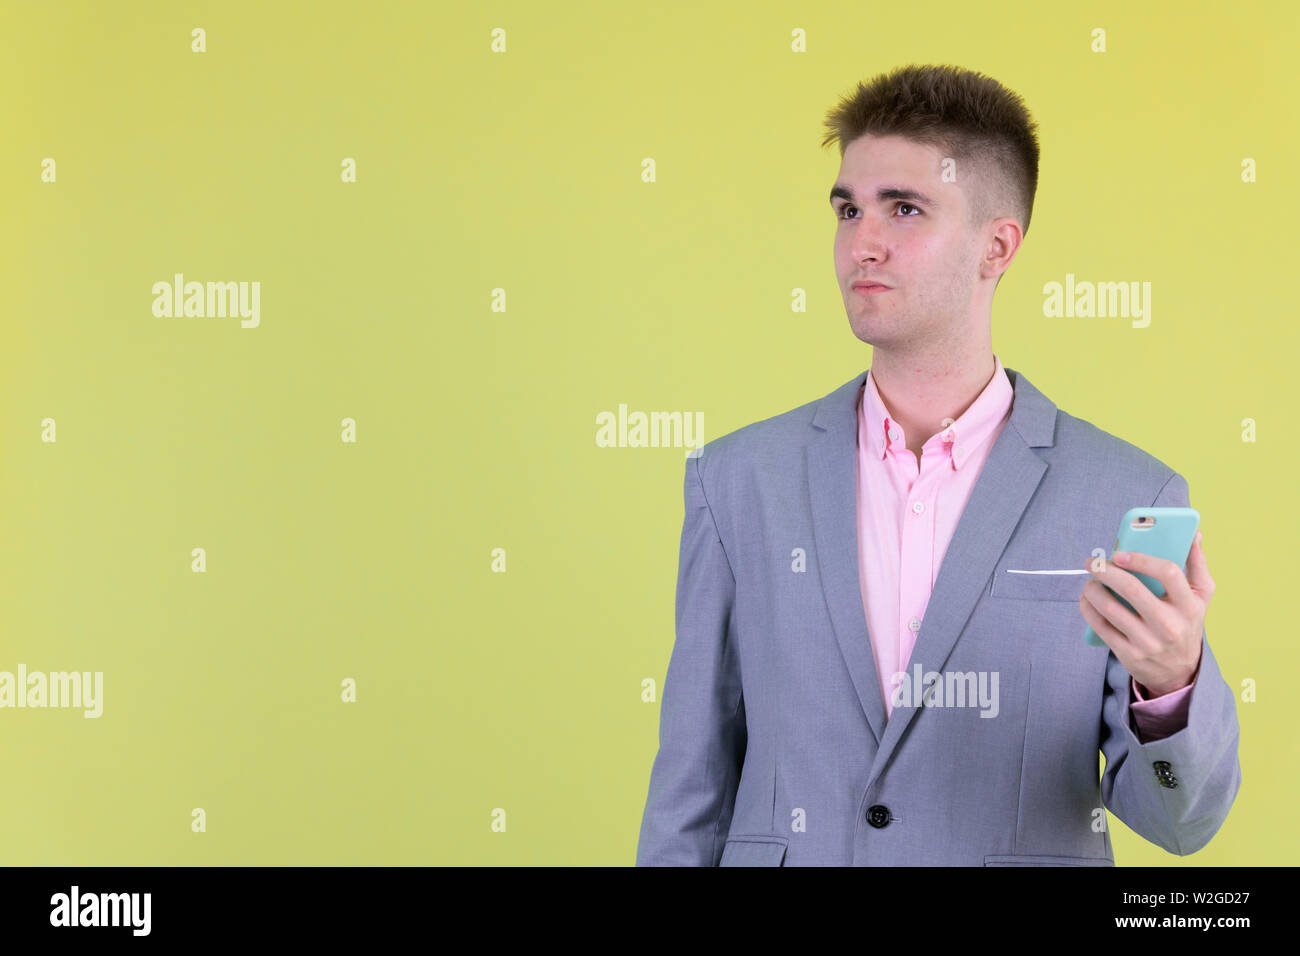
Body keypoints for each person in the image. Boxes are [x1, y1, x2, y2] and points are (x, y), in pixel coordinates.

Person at [635, 63, 1240, 866]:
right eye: (848, 209)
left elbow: (1180, 823)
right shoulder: (737, 481)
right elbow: (691, 790)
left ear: (997, 245)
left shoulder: (1125, 494)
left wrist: (1170, 689)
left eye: (904, 209)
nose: (863, 242)